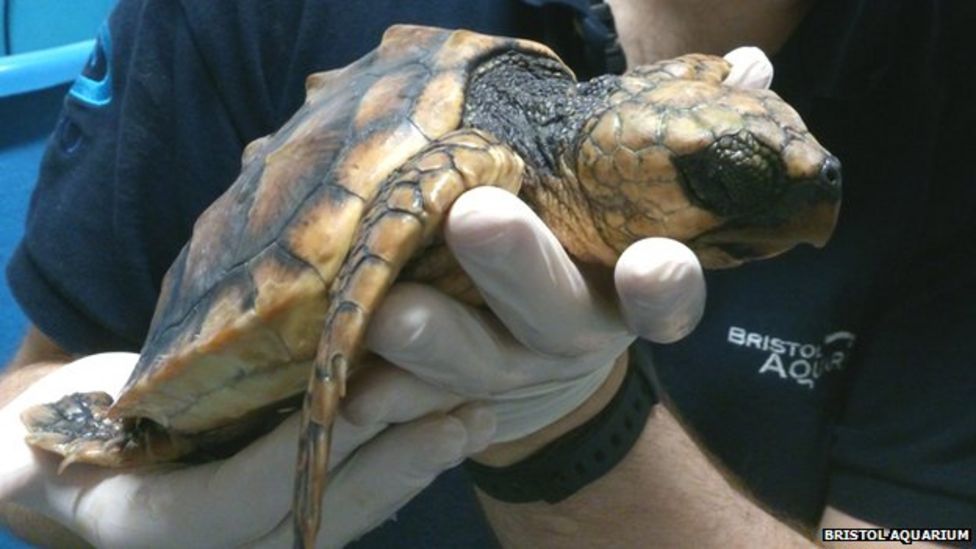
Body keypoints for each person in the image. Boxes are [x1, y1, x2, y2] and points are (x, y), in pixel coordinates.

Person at [1, 0, 974, 547]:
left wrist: (577, 423)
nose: (796, 198)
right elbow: (31, 396)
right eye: (737, 177)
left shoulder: (946, 87)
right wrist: (57, 485)